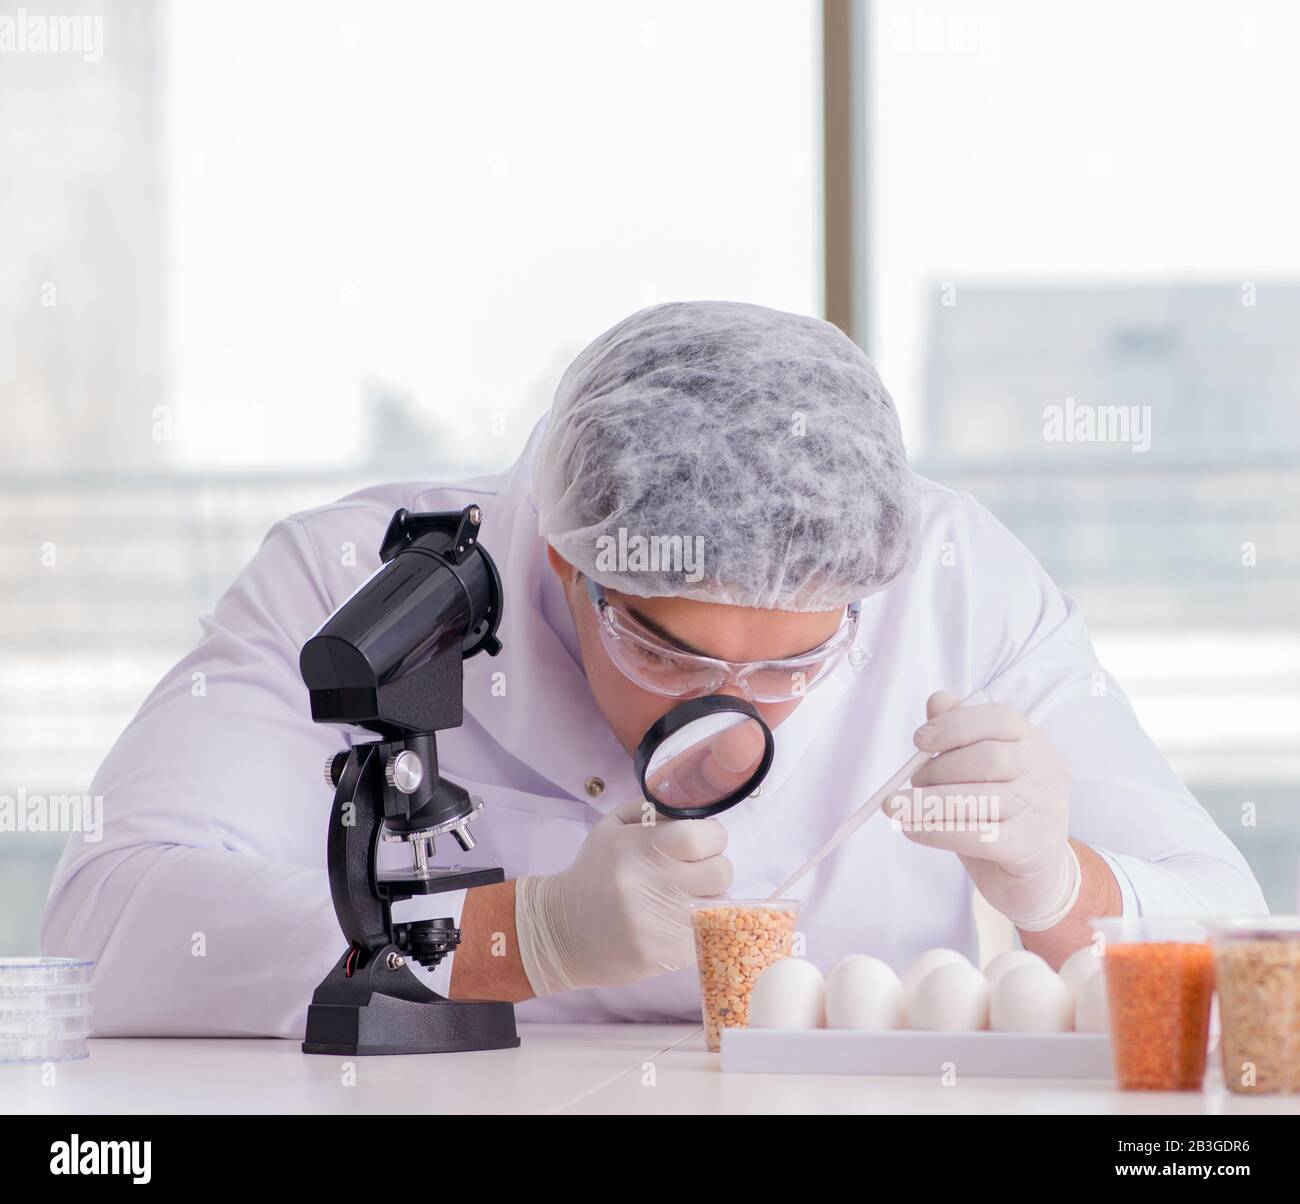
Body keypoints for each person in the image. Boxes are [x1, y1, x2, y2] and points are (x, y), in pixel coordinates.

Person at [42, 301, 1265, 1035]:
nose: (727, 716)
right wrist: (515, 938)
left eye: (795, 664)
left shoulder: (948, 585)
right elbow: (104, 926)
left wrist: (1058, 885)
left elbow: (1235, 931)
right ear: (564, 566)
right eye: (667, 647)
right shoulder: (356, 581)